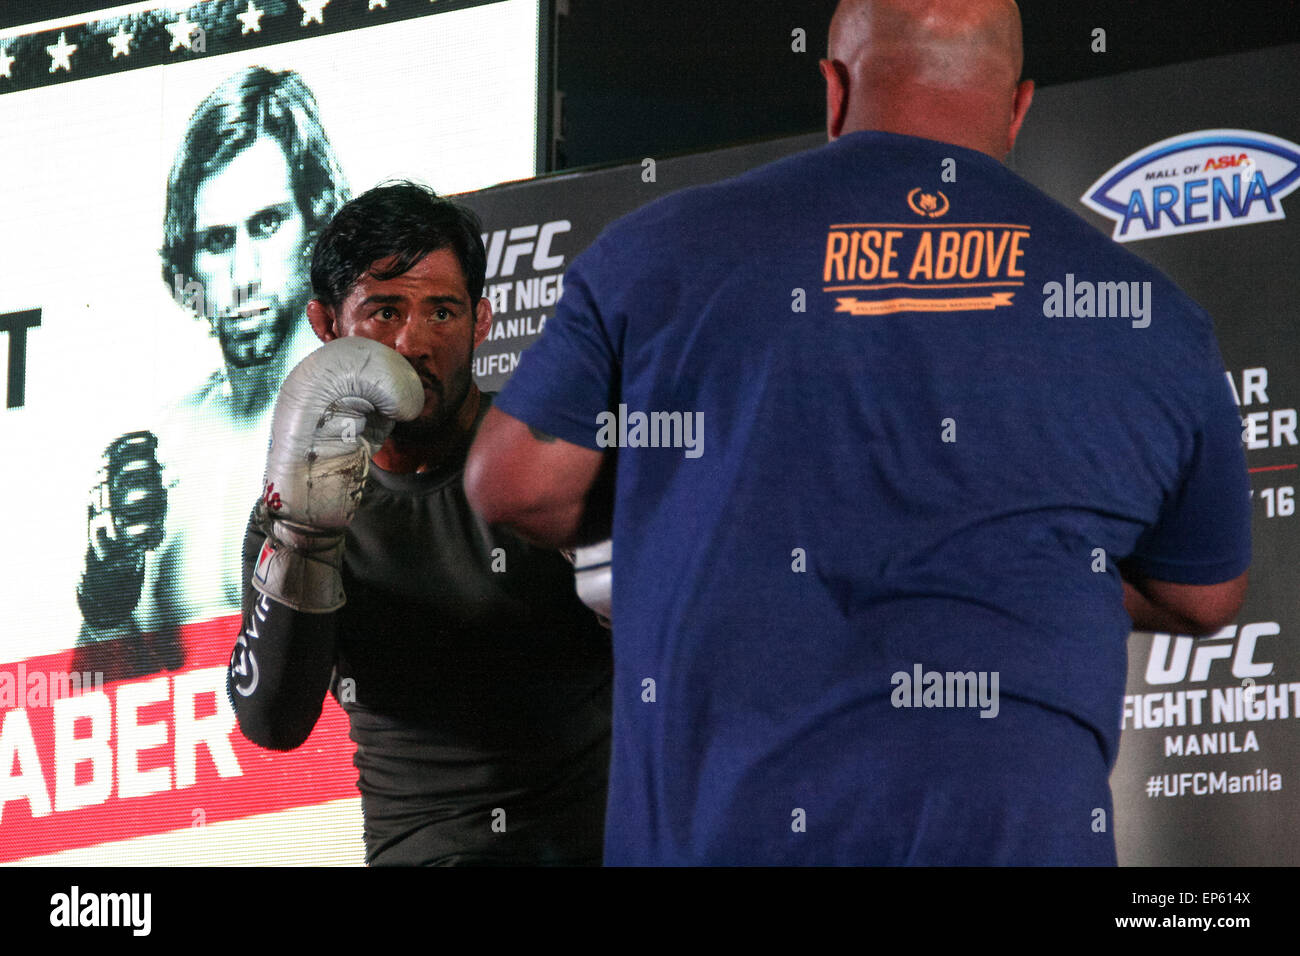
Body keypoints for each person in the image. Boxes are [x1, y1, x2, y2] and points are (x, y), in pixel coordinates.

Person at [464, 0, 1251, 865]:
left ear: (833, 88)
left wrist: (694, 509)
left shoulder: (656, 249)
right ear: (1021, 105)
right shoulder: (1153, 315)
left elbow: (510, 484)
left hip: (726, 833)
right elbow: (1204, 595)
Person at [225, 182, 612, 866]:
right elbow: (273, 723)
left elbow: (690, 655)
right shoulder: (292, 506)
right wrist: (305, 542)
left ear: (482, 321)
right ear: (325, 324)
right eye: (383, 311)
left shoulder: (544, 456)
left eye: (442, 311)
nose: (414, 341)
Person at [74, 67, 348, 678]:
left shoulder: (372, 415)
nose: (244, 272)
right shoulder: (167, 445)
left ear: (315, 225)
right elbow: (95, 702)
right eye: (218, 241)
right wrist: (108, 585)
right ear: (188, 264)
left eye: (268, 224)